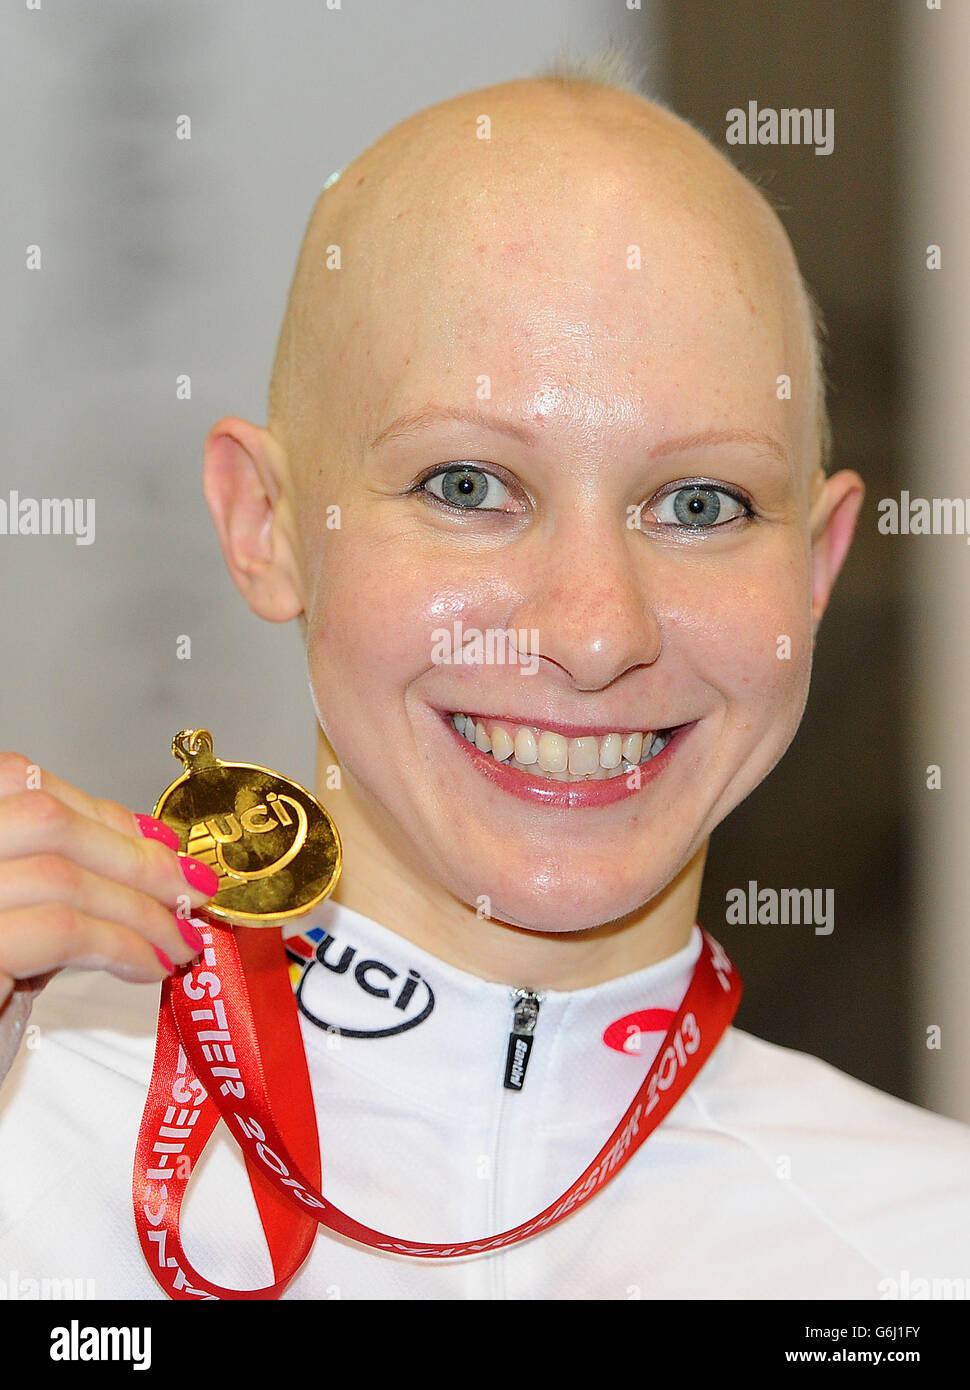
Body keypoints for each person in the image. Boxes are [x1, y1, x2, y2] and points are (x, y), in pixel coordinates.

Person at [1, 59, 968, 1302]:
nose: (592, 630)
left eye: (698, 503)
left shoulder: (929, 1247)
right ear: (267, 524)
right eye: (467, 486)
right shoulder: (33, 1131)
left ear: (818, 568)